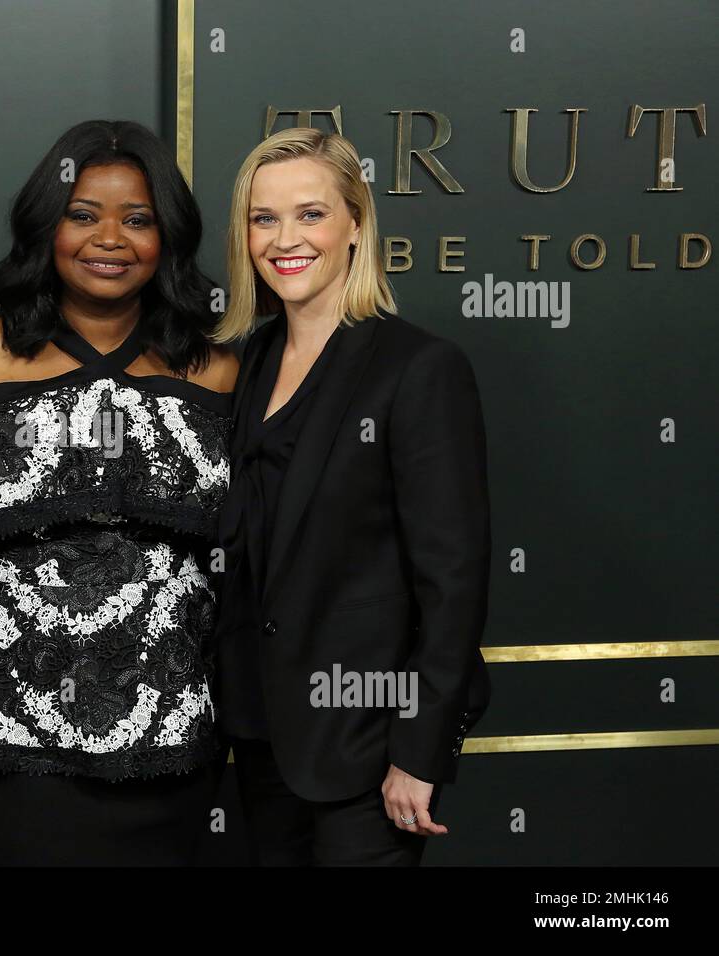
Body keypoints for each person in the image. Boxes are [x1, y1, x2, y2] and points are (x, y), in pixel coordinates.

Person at [0, 120, 239, 865]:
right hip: (4, 742)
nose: (110, 239)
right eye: (83, 214)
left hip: (173, 741)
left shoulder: (217, 368)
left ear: (168, 237)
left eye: (138, 219)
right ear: (47, 225)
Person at [213, 127, 491, 866]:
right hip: (261, 742)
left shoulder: (419, 368)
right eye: (263, 218)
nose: (284, 239)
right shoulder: (242, 366)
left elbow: (453, 581)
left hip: (369, 753)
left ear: (356, 225)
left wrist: (421, 751)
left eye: (311, 214)